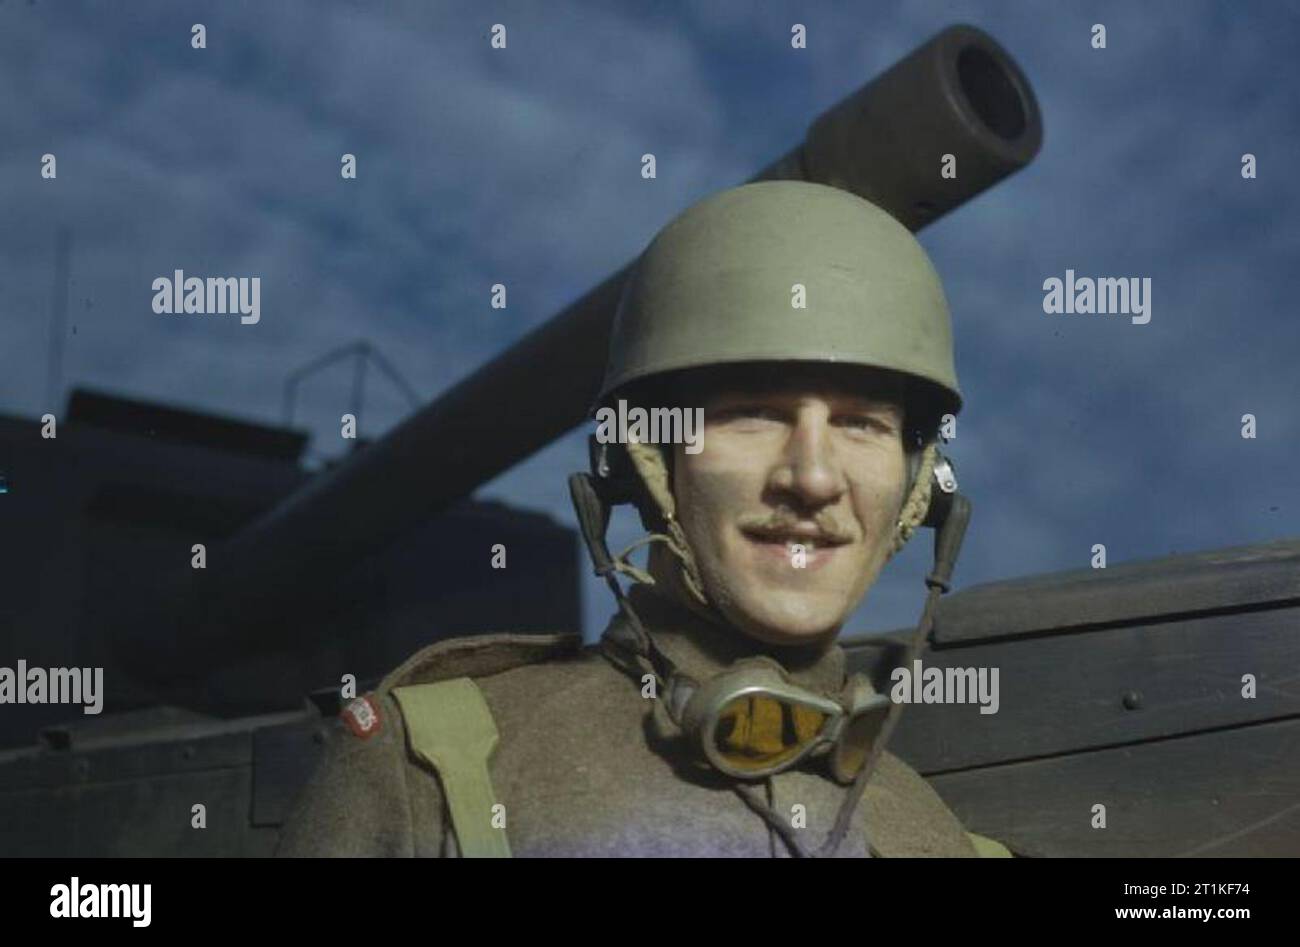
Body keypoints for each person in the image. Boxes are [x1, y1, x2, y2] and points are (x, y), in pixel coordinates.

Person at [276, 180, 1009, 858]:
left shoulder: (938, 837)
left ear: (921, 494)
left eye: (862, 425)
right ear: (646, 461)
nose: (813, 477)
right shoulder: (427, 767)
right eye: (752, 415)